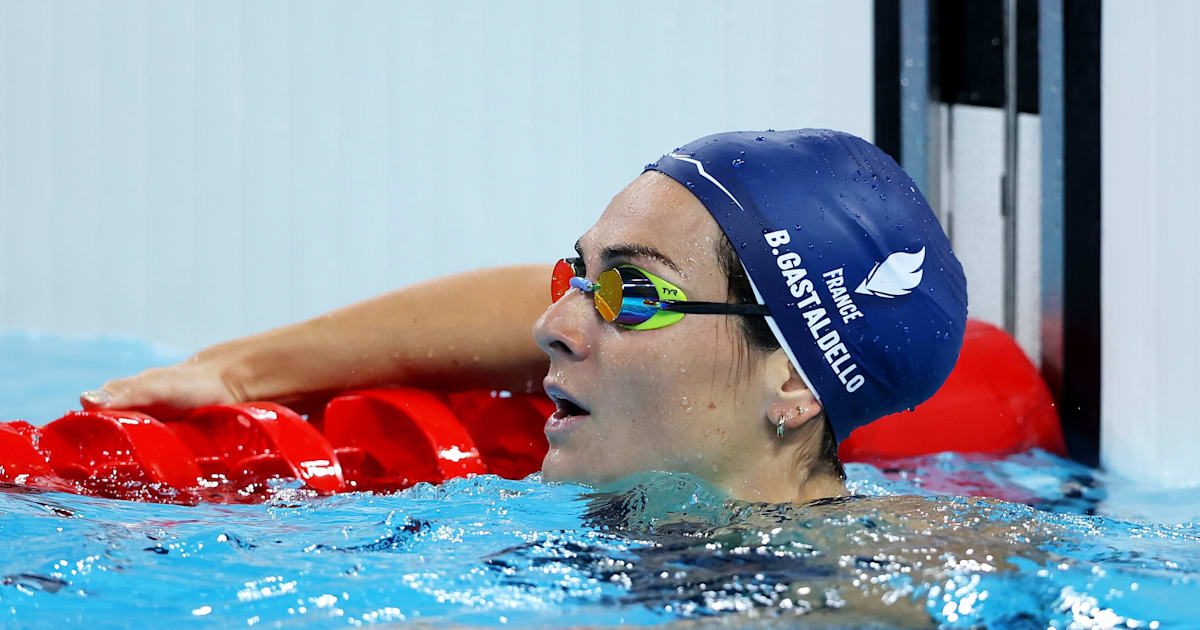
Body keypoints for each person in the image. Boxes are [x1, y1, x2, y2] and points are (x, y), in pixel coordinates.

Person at [80, 129, 967, 504]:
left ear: (792, 381)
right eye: (576, 277)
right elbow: (524, 308)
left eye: (633, 292)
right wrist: (237, 374)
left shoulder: (859, 586)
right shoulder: (652, 484)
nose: (552, 327)